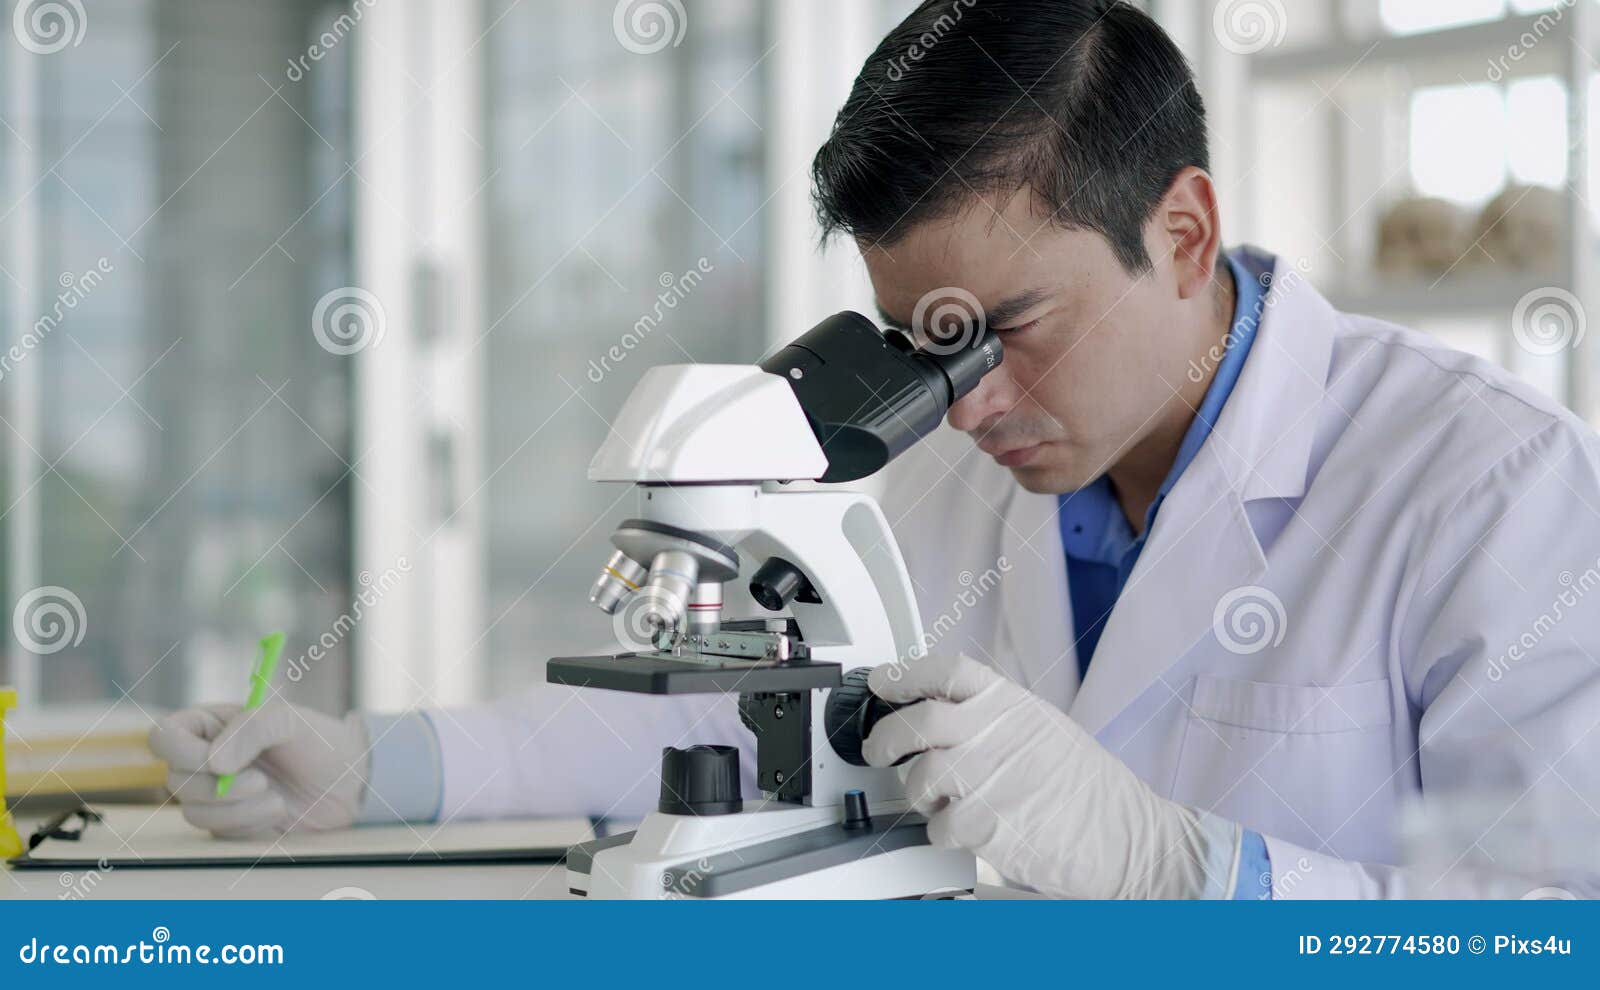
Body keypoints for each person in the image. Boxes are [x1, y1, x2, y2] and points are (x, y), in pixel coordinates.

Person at [150, 0, 1600, 899]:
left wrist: (1197, 875)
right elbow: (729, 720)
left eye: (1007, 329)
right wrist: (372, 765)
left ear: (1183, 232)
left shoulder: (1491, 489)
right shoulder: (962, 456)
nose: (963, 402)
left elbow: (1540, 931)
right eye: (927, 340)